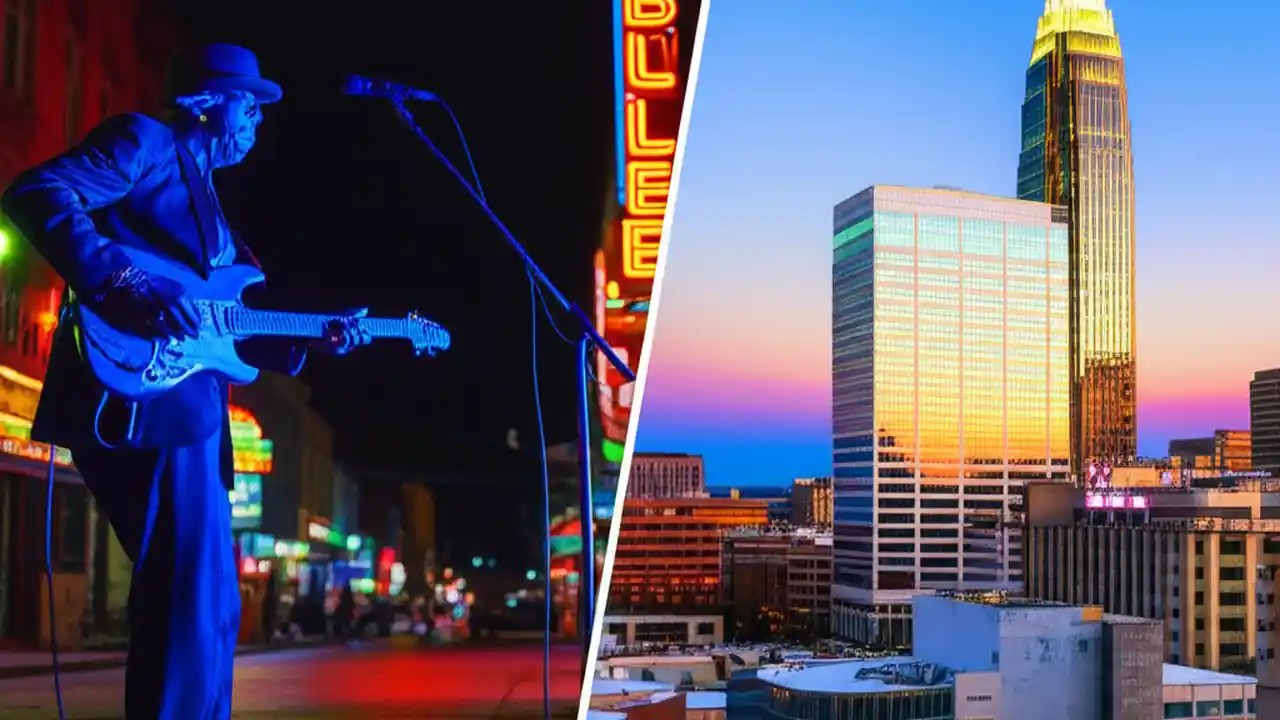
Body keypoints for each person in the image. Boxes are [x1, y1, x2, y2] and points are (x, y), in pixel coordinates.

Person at [0, 44, 369, 718]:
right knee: (188, 594)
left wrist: (310, 335)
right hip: (147, 398)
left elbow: (221, 322)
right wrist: (125, 280)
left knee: (211, 603)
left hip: (191, 412)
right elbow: (36, 191)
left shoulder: (212, 206)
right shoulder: (146, 141)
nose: (259, 119)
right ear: (209, 102)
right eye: (249, 103)